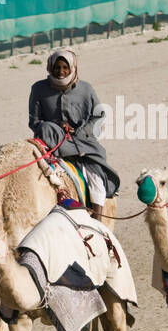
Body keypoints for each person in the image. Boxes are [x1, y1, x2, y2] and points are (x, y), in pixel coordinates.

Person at [28, 49, 119, 223]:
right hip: (51, 141)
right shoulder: (38, 89)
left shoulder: (86, 89)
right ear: (50, 67)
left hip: (82, 142)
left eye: (65, 68)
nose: (60, 72)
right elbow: (34, 121)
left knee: (95, 175)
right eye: (56, 67)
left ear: (73, 68)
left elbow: (98, 115)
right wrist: (55, 128)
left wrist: (80, 131)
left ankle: (98, 219)